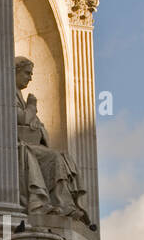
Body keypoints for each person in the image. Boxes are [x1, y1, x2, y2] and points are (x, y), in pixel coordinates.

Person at [14, 56, 91, 225]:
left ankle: (68, 205)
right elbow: (23, 118)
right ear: (16, 71)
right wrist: (32, 105)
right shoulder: (8, 93)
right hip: (17, 145)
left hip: (30, 143)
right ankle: (61, 205)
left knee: (64, 157)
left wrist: (37, 124)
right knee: (54, 157)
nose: (30, 77)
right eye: (27, 73)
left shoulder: (19, 95)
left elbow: (33, 123)